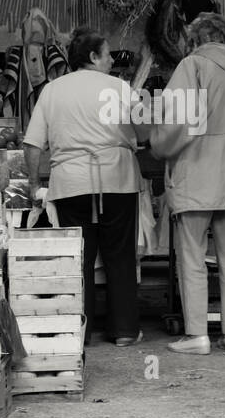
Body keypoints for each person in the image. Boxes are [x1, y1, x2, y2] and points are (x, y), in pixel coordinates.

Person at [152, 13, 225, 355]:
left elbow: (176, 121)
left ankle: (197, 335)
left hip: (197, 177)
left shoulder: (193, 66)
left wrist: (158, 146)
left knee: (192, 257)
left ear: (196, 39)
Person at [22, 28, 146, 345]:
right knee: (120, 257)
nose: (111, 61)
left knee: (78, 259)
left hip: (70, 185)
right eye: (107, 55)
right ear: (92, 56)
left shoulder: (52, 91)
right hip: (117, 182)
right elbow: (145, 131)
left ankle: (80, 332)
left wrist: (34, 185)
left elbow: (32, 144)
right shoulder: (120, 88)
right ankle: (124, 331)